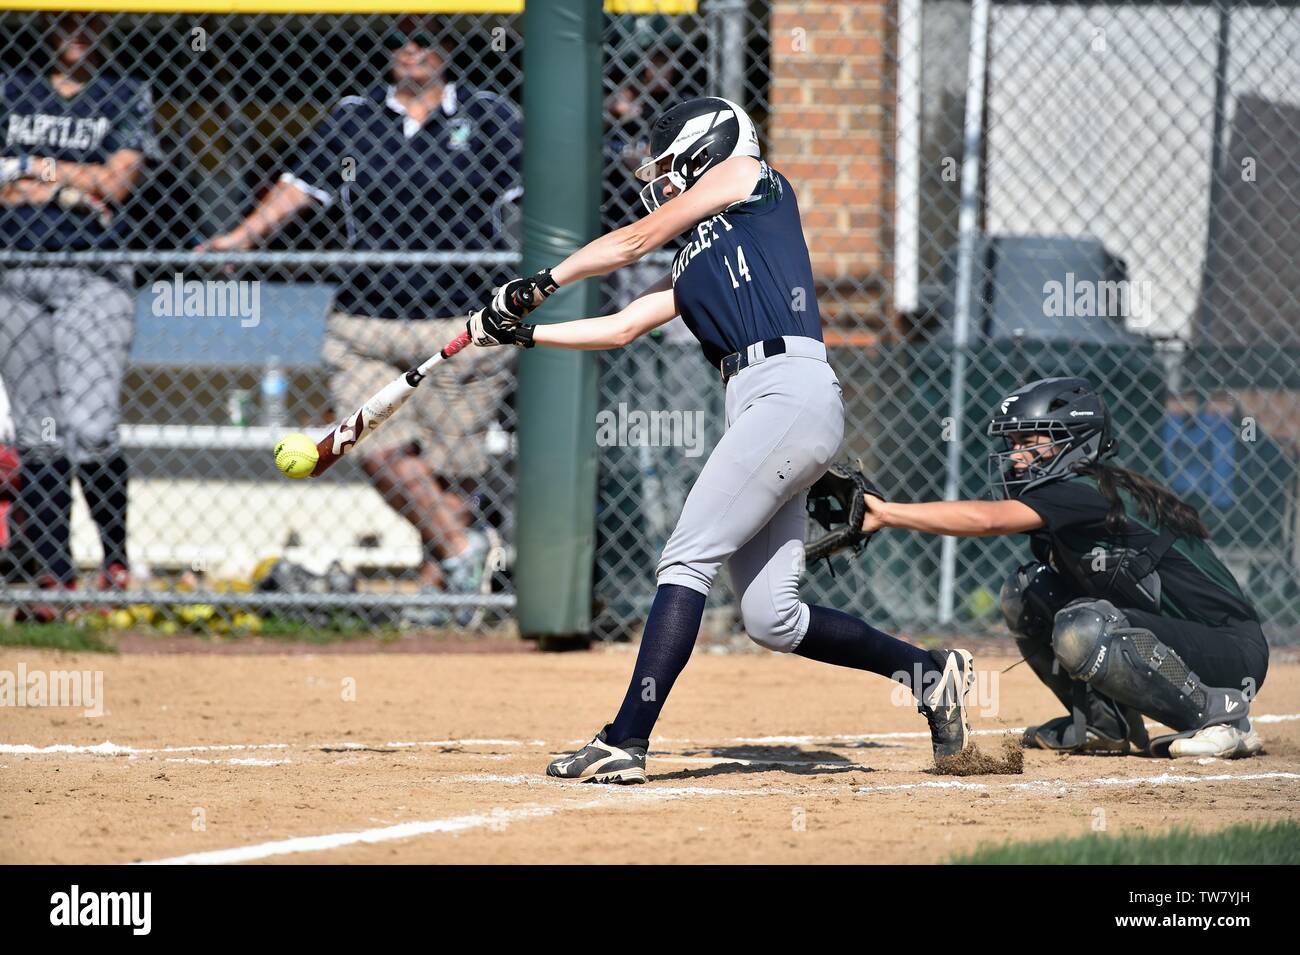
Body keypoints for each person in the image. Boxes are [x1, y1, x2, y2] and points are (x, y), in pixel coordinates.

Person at [466, 97, 975, 783]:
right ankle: (928, 672)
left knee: (687, 555)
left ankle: (626, 737)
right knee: (772, 617)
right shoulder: (697, 255)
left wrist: (540, 284)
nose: (664, 179)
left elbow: (631, 241)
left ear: (708, 147)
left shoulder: (750, 178)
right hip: (762, 404)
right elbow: (620, 326)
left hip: (788, 388)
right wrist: (525, 332)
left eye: (673, 163)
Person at [198, 19, 521, 619]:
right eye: (402, 37)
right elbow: (300, 186)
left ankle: (443, 590)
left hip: (461, 316)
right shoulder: (355, 115)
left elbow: (536, 195)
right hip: (365, 319)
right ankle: (462, 550)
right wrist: (242, 237)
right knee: (369, 444)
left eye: (427, 36)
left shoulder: (489, 114)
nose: (414, 48)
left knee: (453, 471)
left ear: (448, 47)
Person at [860, 377, 1269, 759]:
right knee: (1028, 591)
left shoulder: (1083, 493)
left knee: (1086, 626)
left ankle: (1222, 714)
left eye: (1030, 441)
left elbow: (986, 520)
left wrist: (887, 513)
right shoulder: (1075, 496)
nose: (1016, 457)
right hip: (1177, 638)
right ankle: (1102, 725)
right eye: (1013, 442)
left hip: (1230, 651)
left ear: (1075, 443)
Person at [0, 14, 156, 618]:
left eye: (90, 20)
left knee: (92, 427)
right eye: (66, 19)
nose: (78, 31)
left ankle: (114, 563)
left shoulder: (123, 90)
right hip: (15, 272)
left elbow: (117, 184)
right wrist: (72, 186)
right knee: (39, 434)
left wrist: (31, 173)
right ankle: (54, 577)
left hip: (94, 274)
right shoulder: (12, 86)